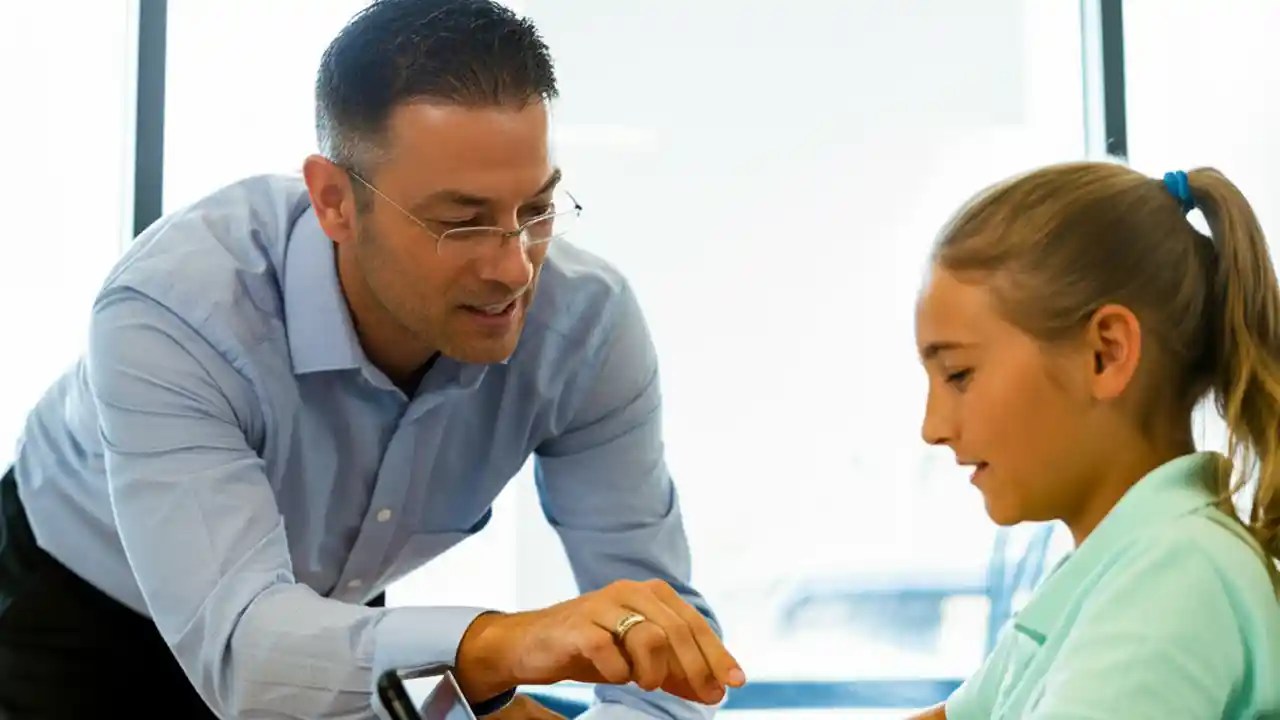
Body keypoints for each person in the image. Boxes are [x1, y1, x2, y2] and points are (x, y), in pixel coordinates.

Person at [0, 1, 747, 717]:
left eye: (536, 211)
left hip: (322, 610)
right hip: (75, 608)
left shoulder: (585, 328)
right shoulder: (177, 308)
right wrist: (503, 648)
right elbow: (244, 653)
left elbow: (662, 641)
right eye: (463, 222)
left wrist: (536, 682)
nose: (516, 268)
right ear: (333, 201)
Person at [910, 161, 1280, 719]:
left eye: (959, 375)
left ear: (1104, 354)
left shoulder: (1174, 577)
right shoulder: (1111, 569)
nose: (932, 426)